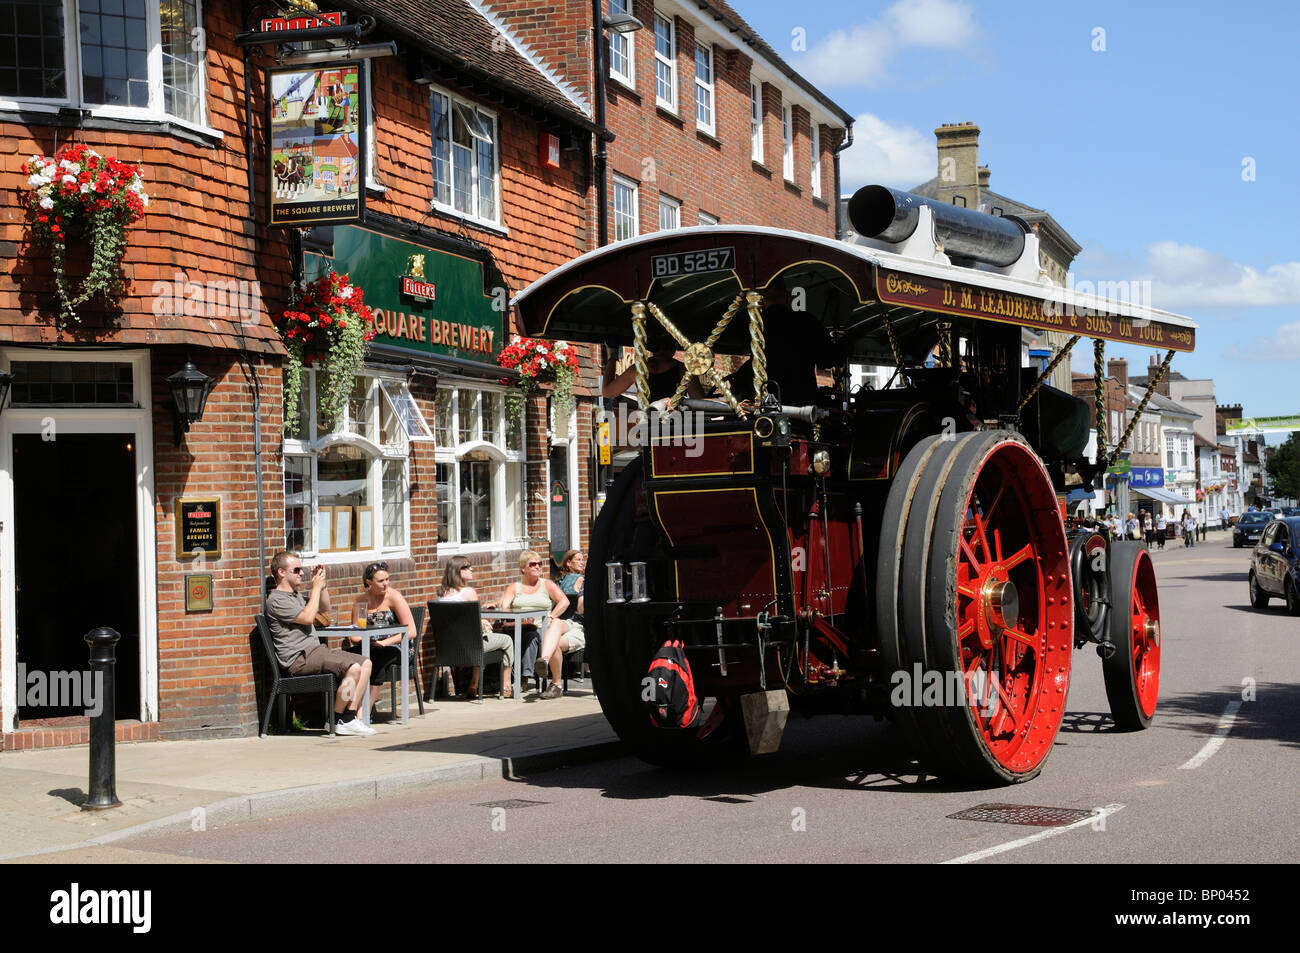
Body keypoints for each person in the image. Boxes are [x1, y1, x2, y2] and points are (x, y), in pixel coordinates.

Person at [264, 551, 374, 736]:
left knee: (366, 664)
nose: (301, 573)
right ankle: (335, 719)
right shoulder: (276, 600)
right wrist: (314, 589)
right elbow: (308, 617)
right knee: (353, 668)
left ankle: (348, 717)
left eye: (301, 570)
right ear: (282, 572)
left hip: (315, 652)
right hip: (298, 659)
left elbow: (324, 612)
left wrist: (321, 586)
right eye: (297, 570)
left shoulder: (296, 596)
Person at [497, 550, 582, 700]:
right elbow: (504, 607)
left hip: (541, 626)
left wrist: (551, 616)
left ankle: (524, 678)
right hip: (519, 625)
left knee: (533, 636)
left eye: (539, 564)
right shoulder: (514, 587)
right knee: (513, 637)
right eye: (533, 564)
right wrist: (497, 604)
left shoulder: (546, 584)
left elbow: (564, 602)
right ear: (523, 568)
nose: (537, 567)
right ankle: (510, 679)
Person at [342, 562, 415, 717]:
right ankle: (344, 707)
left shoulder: (394, 597)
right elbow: (354, 635)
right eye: (381, 581)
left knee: (377, 657)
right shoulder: (361, 601)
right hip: (371, 645)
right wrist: (367, 642)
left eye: (387, 579)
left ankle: (364, 710)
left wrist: (383, 643)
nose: (386, 584)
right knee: (347, 658)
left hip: (397, 647)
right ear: (369, 582)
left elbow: (411, 631)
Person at [438, 556, 515, 699]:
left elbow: (464, 620)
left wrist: (481, 621)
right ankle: (506, 686)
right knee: (507, 640)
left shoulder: (442, 594)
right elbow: (474, 621)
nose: (471, 569)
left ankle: (474, 684)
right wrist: (483, 622)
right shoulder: (468, 592)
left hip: (449, 647)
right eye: (467, 567)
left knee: (478, 639)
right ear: (457, 571)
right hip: (471, 646)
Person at [602, 346, 706, 406]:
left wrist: (612, 358)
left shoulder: (637, 369)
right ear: (673, 345)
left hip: (648, 425)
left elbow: (607, 392)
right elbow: (700, 401)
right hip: (675, 425)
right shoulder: (683, 369)